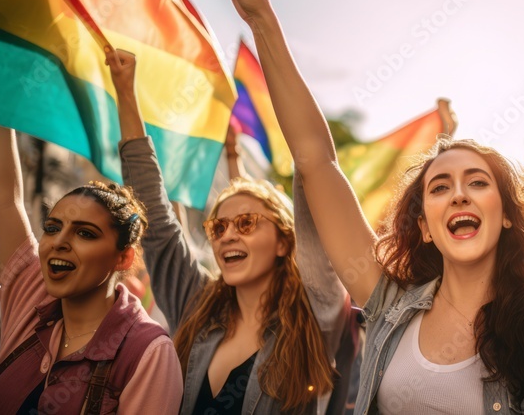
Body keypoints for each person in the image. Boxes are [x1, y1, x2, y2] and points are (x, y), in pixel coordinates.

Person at [211, 0, 524, 413]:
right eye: (439, 187)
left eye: (477, 182)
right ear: (426, 226)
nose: (458, 194)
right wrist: (262, 19)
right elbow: (315, 159)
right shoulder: (389, 302)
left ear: (509, 216)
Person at [110, 50, 352, 414]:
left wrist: (262, 26)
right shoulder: (197, 305)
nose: (227, 236)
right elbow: (157, 223)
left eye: (247, 223)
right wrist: (126, 93)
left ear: (285, 241)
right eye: (218, 226)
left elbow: (314, 165)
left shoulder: (314, 313)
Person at [0, 121, 181, 414]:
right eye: (52, 227)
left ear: (123, 258)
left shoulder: (149, 352)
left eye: (85, 233)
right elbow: (3, 197)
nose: (58, 241)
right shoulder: (33, 292)